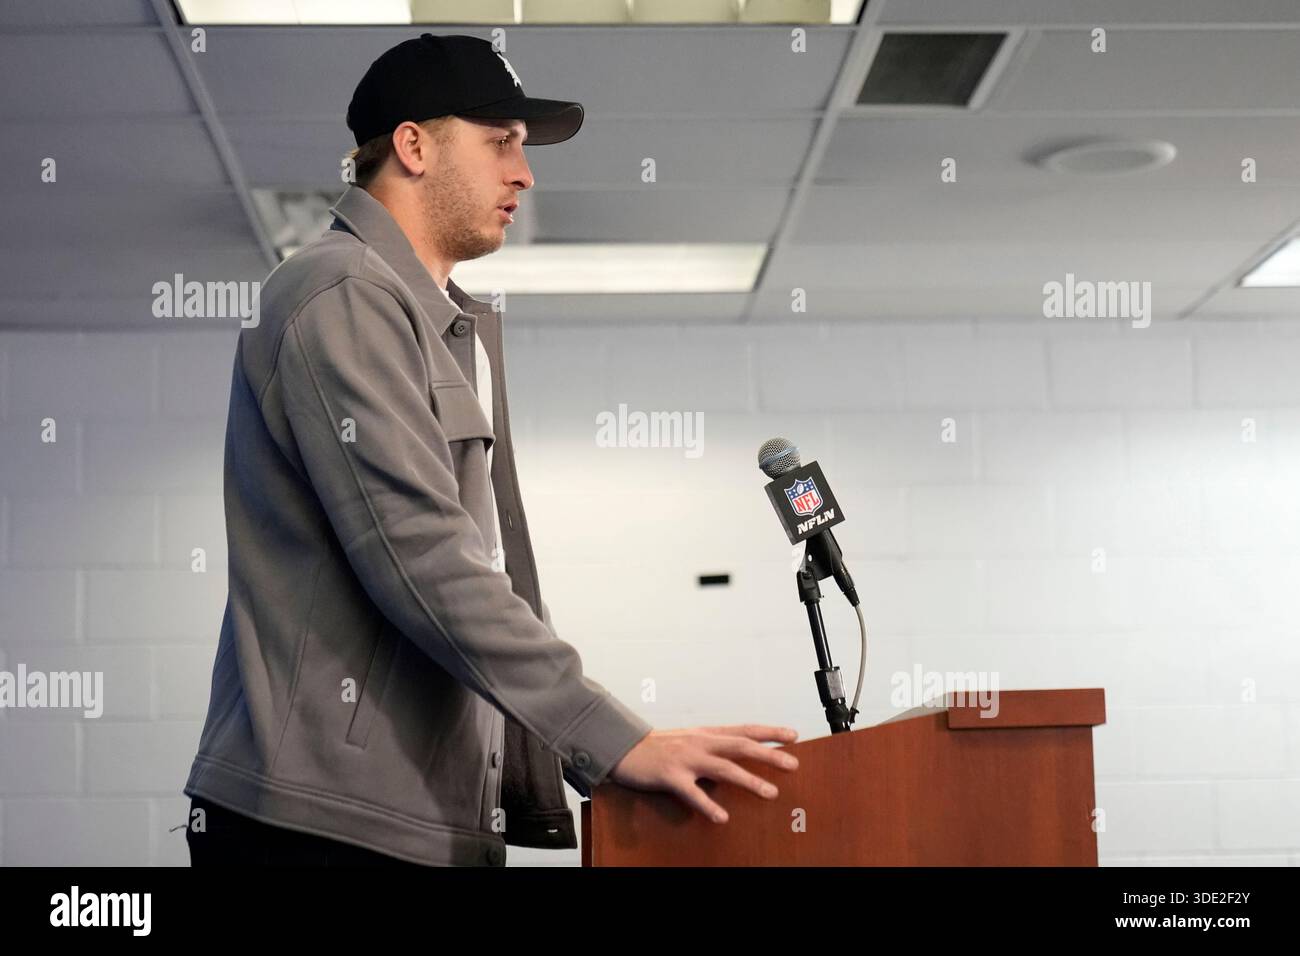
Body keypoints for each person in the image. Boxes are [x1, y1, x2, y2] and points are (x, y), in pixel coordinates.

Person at [183, 33, 798, 868]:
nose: (525, 172)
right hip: (326, 826)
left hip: (419, 822)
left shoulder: (444, 321)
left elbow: (477, 569)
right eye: (500, 142)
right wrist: (612, 740)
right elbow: (422, 556)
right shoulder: (340, 292)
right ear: (413, 146)